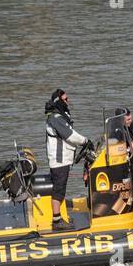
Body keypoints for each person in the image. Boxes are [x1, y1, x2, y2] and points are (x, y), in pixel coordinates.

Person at [45, 89, 93, 228]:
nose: (68, 101)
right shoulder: (56, 118)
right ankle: (56, 221)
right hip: (59, 160)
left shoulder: (59, 116)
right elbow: (70, 135)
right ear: (59, 101)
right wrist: (85, 141)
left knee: (61, 189)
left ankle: (60, 217)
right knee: (58, 190)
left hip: (63, 159)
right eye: (65, 99)